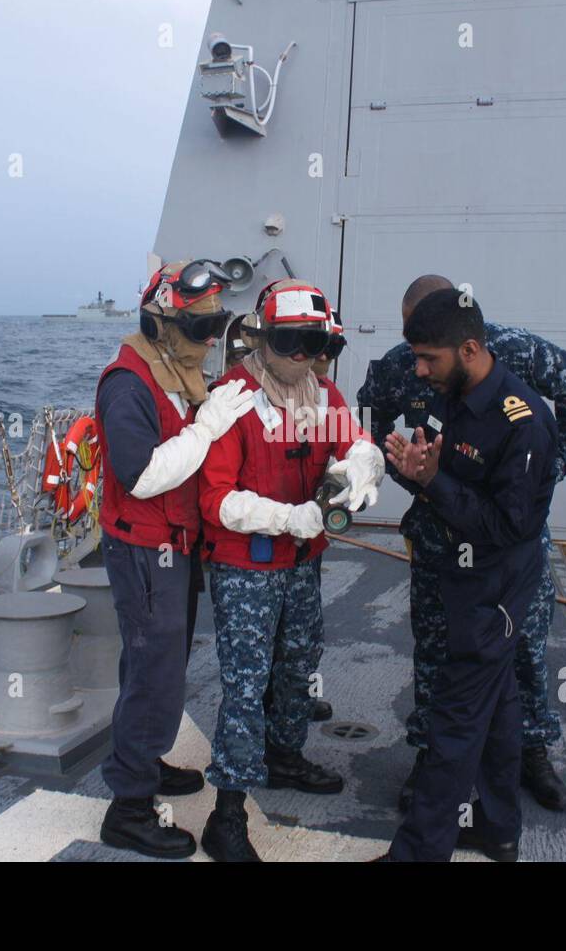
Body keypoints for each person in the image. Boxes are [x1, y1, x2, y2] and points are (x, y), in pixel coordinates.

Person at [357, 275, 566, 813]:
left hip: (510, 541)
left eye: (427, 350)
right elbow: (369, 412)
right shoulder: (404, 363)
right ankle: (431, 754)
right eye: (410, 342)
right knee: (437, 650)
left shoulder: (512, 349)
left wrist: (547, 472)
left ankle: (531, 752)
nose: (417, 363)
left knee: (524, 647)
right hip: (441, 531)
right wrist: (405, 475)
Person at [197, 279, 385, 861]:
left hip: (303, 562)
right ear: (262, 340)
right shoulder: (231, 399)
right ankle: (226, 815)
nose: (302, 357)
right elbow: (218, 502)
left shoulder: (322, 396)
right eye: (290, 343)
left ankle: (284, 755)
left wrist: (361, 468)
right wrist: (294, 518)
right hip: (246, 566)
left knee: (300, 659)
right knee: (247, 683)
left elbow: (357, 445)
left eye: (314, 345)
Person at [381, 288, 559, 862]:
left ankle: (416, 853)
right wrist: (420, 471)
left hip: (495, 591)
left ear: (471, 348)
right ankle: (498, 829)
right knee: (501, 708)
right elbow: (452, 482)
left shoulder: (522, 423)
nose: (419, 369)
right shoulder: (457, 393)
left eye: (429, 358)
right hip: (464, 577)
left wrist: (436, 484)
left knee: (454, 724)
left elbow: (506, 526)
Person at [93, 260, 255, 858]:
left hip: (175, 544)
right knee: (155, 674)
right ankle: (129, 808)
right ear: (161, 324)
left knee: (153, 664)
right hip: (144, 546)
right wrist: (209, 425)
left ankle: (144, 762)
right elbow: (140, 475)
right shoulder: (129, 383)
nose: (210, 339)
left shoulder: (176, 375)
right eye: (199, 327)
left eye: (216, 324)